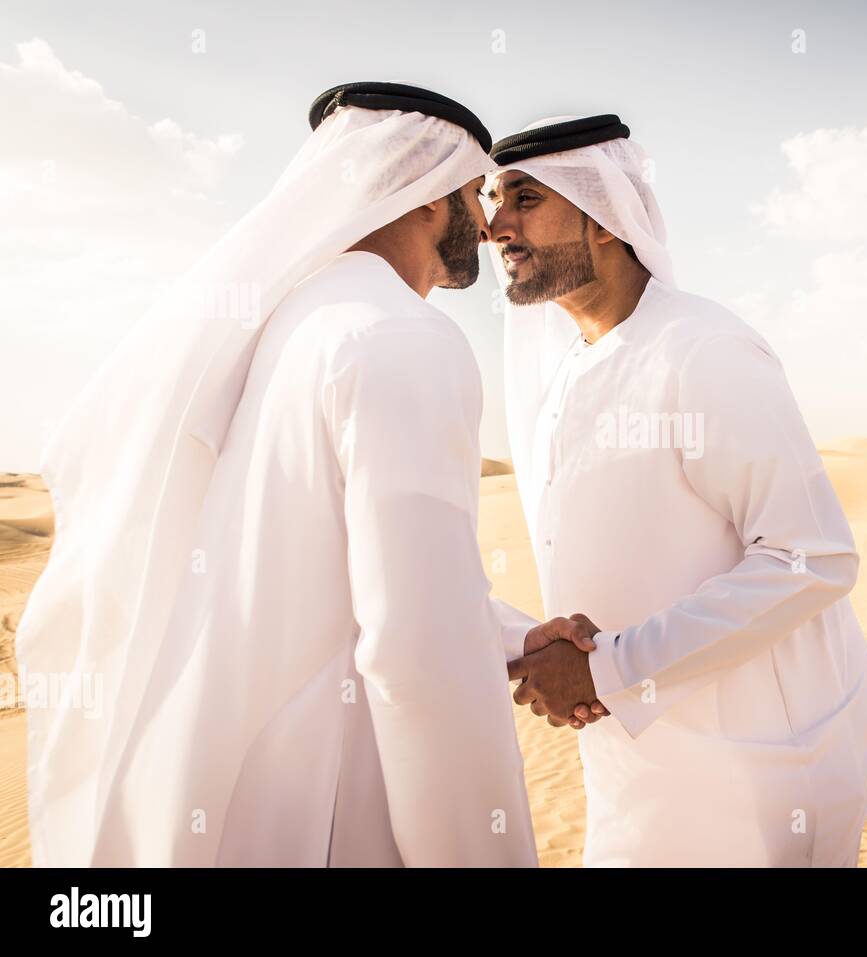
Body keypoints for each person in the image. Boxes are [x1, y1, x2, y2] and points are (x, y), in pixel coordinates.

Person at [16, 83, 583, 867]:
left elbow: (354, 576)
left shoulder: (290, 328)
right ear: (423, 196)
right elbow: (415, 649)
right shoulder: (401, 336)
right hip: (326, 810)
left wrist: (518, 636)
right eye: (469, 193)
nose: (486, 225)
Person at [485, 114, 867, 866]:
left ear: (604, 217)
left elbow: (813, 557)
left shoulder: (703, 349)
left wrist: (609, 667)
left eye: (525, 198)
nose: (494, 225)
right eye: (494, 199)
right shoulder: (569, 370)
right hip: (632, 764)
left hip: (753, 770)